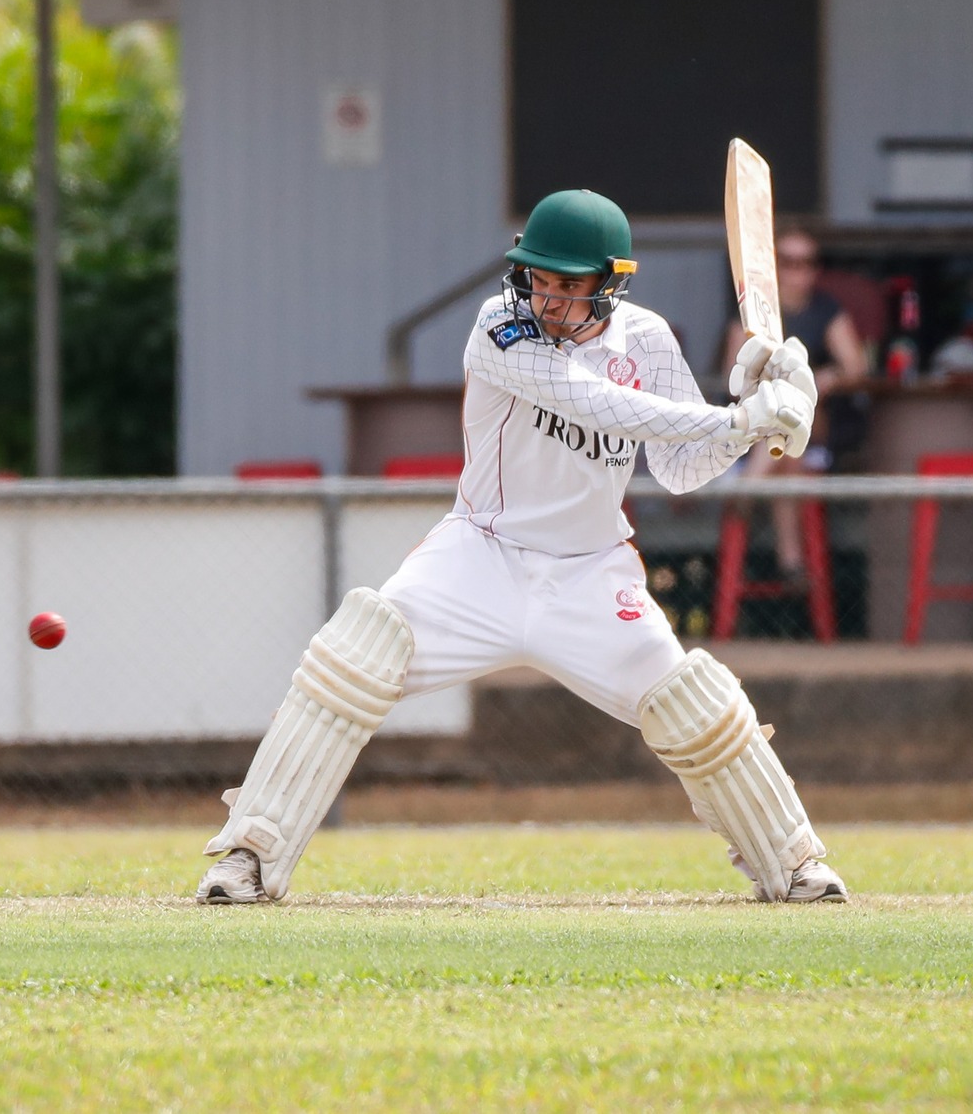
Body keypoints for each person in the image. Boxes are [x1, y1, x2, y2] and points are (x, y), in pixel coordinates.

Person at [196, 189, 847, 905]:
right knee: (356, 652)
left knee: (694, 701)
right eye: (540, 278)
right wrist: (734, 414)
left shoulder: (648, 339)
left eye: (571, 286)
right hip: (480, 552)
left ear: (611, 282)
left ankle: (792, 866)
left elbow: (681, 469)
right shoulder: (499, 326)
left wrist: (752, 424)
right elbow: (590, 402)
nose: (550, 300)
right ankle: (249, 855)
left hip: (593, 571)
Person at [720, 227, 869, 576]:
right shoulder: (752, 309)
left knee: (788, 419)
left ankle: (747, 492)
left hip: (813, 426)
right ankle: (792, 562)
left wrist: (827, 378)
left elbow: (856, 368)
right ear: (773, 266)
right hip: (762, 430)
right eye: (787, 262)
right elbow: (732, 375)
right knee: (784, 454)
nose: (797, 271)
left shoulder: (825, 309)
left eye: (806, 262)